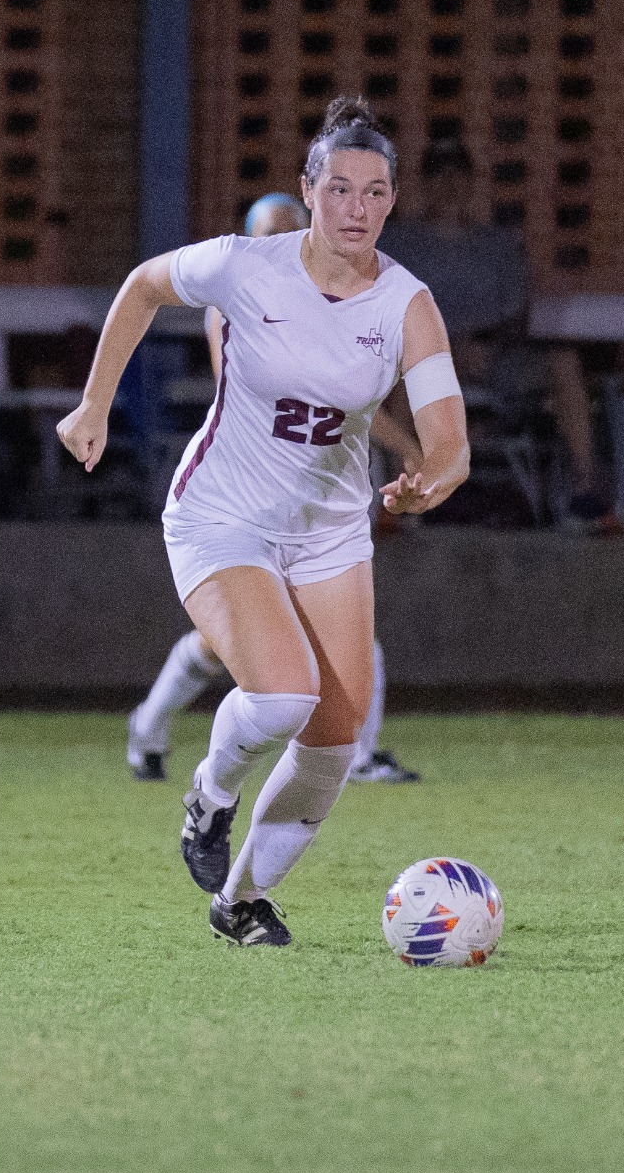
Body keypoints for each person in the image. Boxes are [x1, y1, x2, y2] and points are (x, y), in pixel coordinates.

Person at [59, 96, 469, 948]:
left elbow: (449, 441)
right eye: (341, 188)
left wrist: (432, 481)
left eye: (376, 192)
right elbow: (141, 287)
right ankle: (209, 792)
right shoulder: (246, 266)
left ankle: (240, 899)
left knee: (334, 740)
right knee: (283, 691)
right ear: (308, 190)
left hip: (328, 532)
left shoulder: (406, 302)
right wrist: (94, 403)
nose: (357, 208)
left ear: (393, 201)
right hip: (223, 517)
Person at [127, 191, 420, 786]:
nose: (283, 246)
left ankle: (353, 754)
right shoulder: (234, 302)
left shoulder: (340, 301)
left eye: (292, 231)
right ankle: (155, 730)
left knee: (336, 633)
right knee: (229, 647)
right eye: (269, 235)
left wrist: (407, 447)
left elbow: (352, 403)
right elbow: (271, 395)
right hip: (249, 496)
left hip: (315, 494)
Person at [380, 138, 616, 533]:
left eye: (458, 174)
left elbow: (518, 315)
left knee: (563, 362)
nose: (449, 183)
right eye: (439, 174)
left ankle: (585, 493)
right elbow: (384, 316)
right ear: (423, 184)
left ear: (471, 183)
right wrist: (444, 350)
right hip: (424, 361)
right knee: (404, 377)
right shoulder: (399, 244)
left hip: (495, 357)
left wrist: (487, 346)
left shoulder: (498, 244)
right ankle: (404, 500)